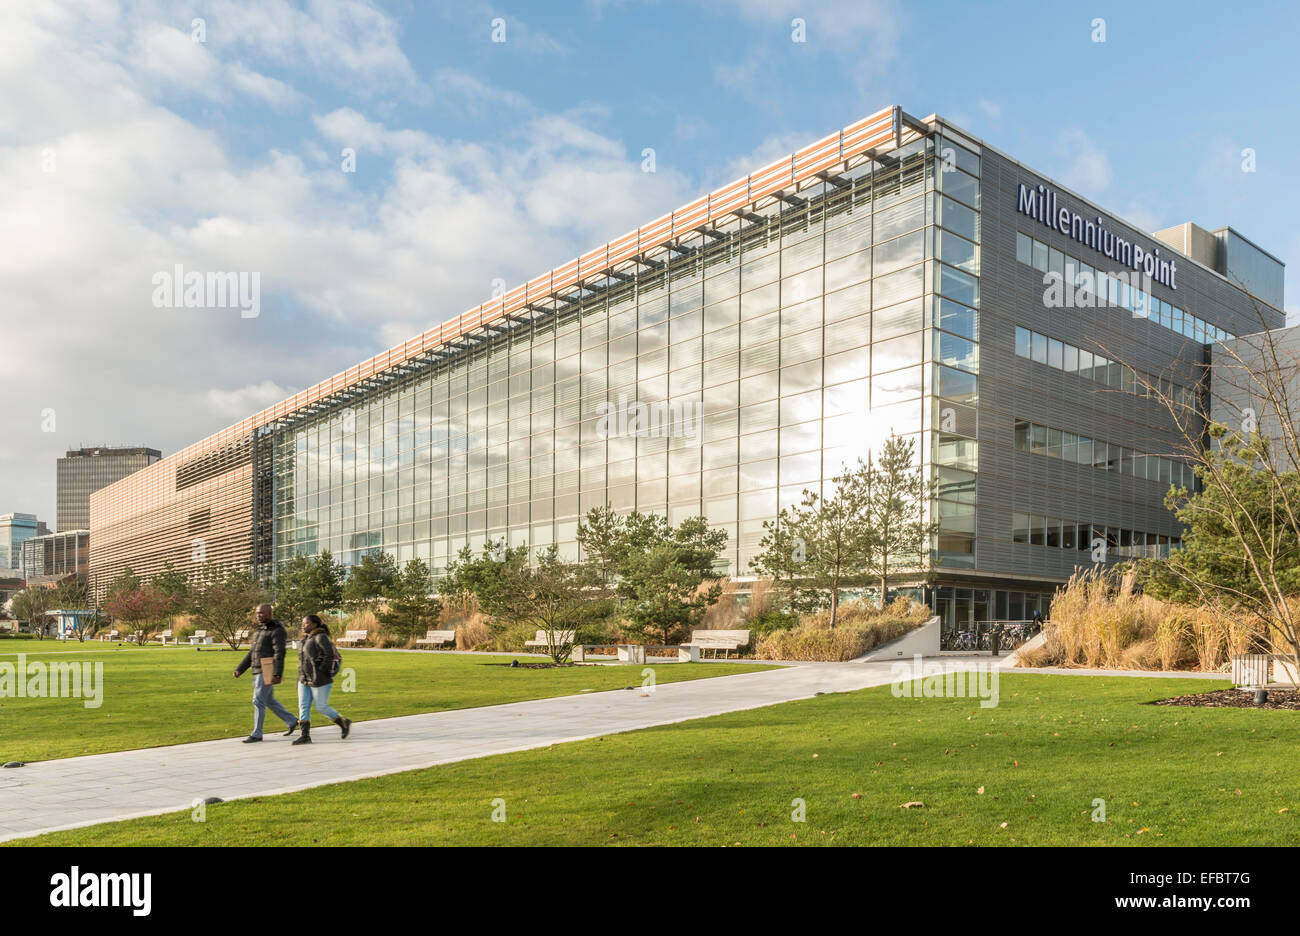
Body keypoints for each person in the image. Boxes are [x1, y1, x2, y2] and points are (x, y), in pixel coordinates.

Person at [233, 604, 298, 742]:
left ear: (269, 613)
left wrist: (277, 673)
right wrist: (240, 669)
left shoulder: (277, 630)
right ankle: (292, 721)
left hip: (267, 670)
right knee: (269, 700)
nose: (258, 615)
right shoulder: (259, 630)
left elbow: (280, 653)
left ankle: (257, 734)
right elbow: (252, 653)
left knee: (257, 700)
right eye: (257, 613)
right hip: (257, 670)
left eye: (261, 613)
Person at [292, 614, 352, 746]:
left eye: (306, 623)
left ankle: (343, 722)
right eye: (302, 623)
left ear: (315, 624)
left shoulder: (321, 637)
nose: (303, 625)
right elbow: (302, 661)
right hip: (304, 679)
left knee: (321, 706)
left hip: (319, 679)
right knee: (303, 706)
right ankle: (305, 736)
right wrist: (299, 678)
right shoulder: (305, 639)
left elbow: (329, 655)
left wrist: (320, 671)